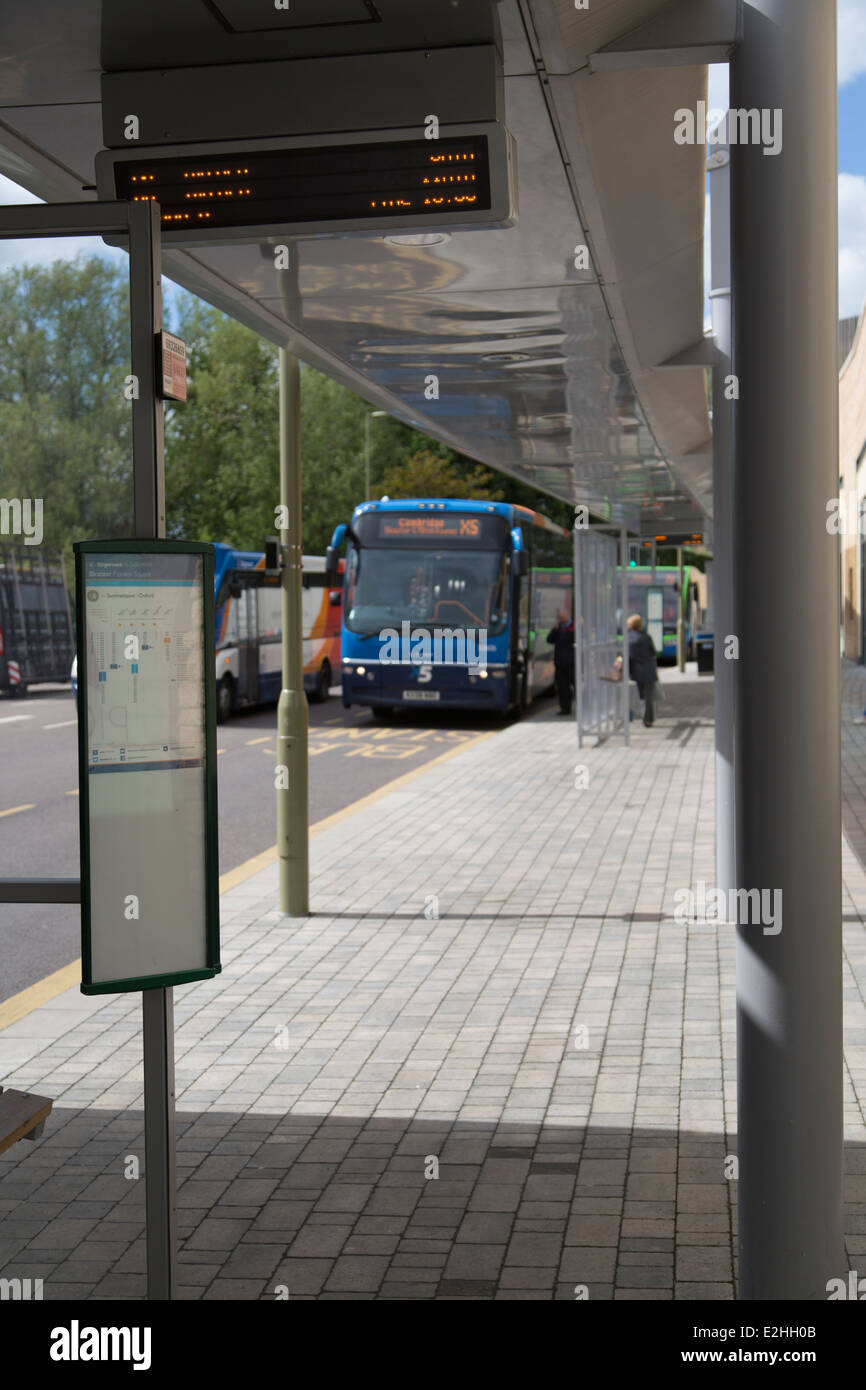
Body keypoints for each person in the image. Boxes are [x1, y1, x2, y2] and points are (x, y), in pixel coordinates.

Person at [627, 613, 658, 726]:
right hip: (649, 669)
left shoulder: (628, 638)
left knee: (641, 695)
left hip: (636, 670)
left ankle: (645, 716)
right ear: (640, 624)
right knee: (648, 696)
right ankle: (647, 719)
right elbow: (653, 652)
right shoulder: (646, 637)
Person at [546, 608, 576, 715]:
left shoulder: (574, 627)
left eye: (562, 617)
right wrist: (555, 629)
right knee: (562, 688)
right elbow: (549, 640)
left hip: (572, 664)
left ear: (568, 615)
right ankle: (565, 709)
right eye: (559, 617)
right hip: (560, 664)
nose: (561, 619)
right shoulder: (558, 628)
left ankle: (583, 708)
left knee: (576, 686)